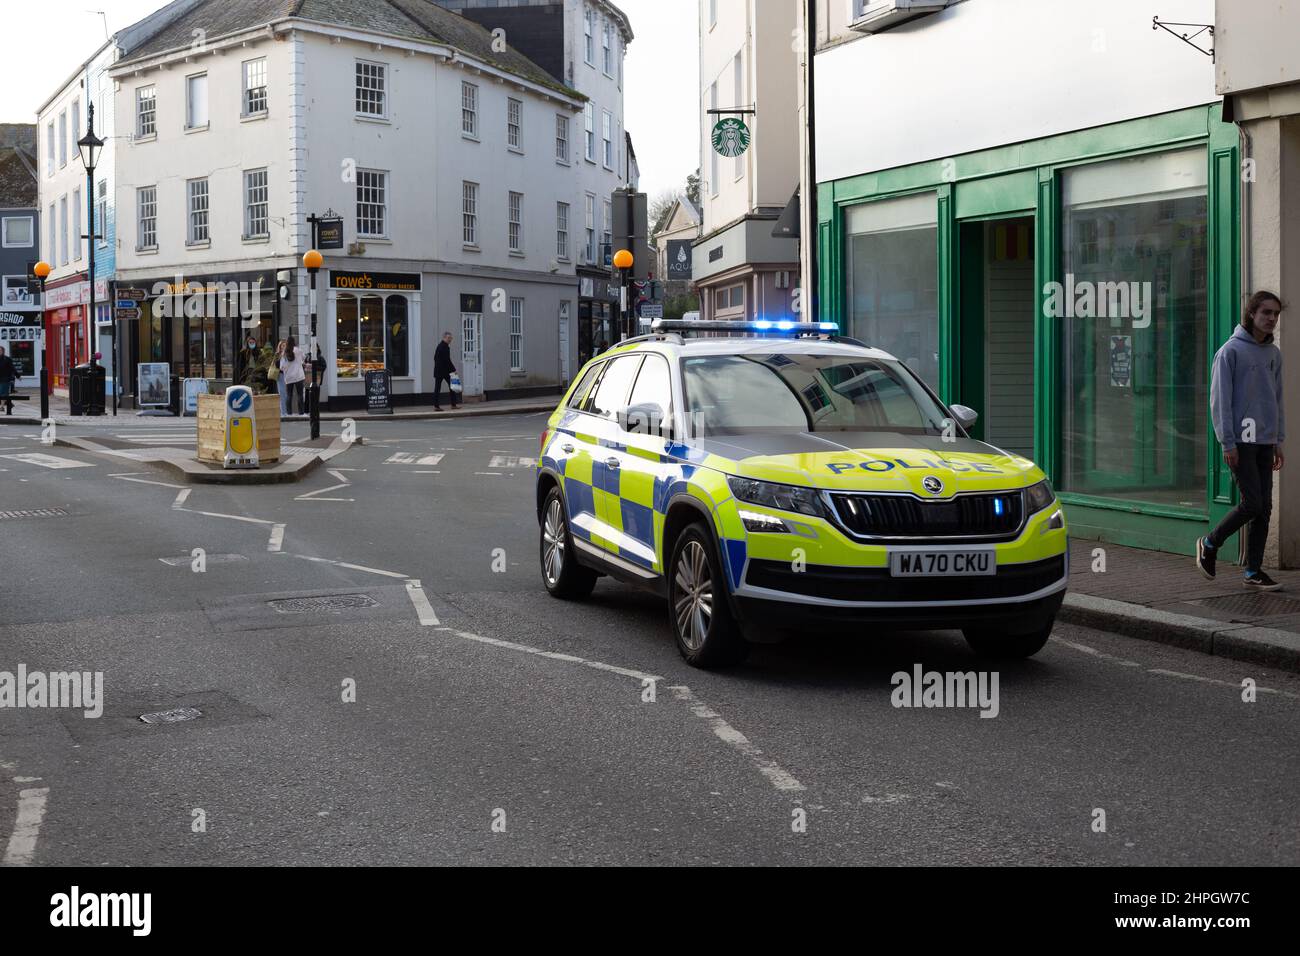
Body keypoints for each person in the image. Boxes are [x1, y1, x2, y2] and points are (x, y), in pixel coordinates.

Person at [1197, 291, 1286, 590]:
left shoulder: (1273, 355)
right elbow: (1219, 400)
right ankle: (1210, 543)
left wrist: (1277, 440)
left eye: (1275, 314)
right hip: (1241, 442)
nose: (1272, 319)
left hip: (1264, 441)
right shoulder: (1230, 351)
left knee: (1265, 508)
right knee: (1252, 504)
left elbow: (1276, 399)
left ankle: (1253, 571)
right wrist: (1227, 442)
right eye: (1266, 313)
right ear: (1252, 314)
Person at [278, 336, 306, 416]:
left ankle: (289, 413)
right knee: (300, 394)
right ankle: (301, 413)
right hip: (299, 376)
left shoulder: (284, 353)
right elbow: (303, 359)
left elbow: (281, 367)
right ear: (294, 342)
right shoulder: (298, 350)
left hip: (288, 377)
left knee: (289, 395)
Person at [433, 331, 459, 411]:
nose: (450, 340)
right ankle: (439, 406)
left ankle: (450, 405)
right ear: (444, 338)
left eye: (451, 338)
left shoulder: (441, 346)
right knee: (443, 388)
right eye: (448, 338)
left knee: (446, 387)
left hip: (440, 371)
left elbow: (435, 358)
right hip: (442, 371)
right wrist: (454, 370)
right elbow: (447, 360)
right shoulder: (443, 347)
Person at [0, 345, 16, 415]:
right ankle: (9, 403)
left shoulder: (7, 359)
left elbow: (12, 368)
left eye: (0, 350)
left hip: (5, 379)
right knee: (1, 393)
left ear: (3, 351)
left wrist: (18, 376)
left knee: (3, 393)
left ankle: (2, 406)